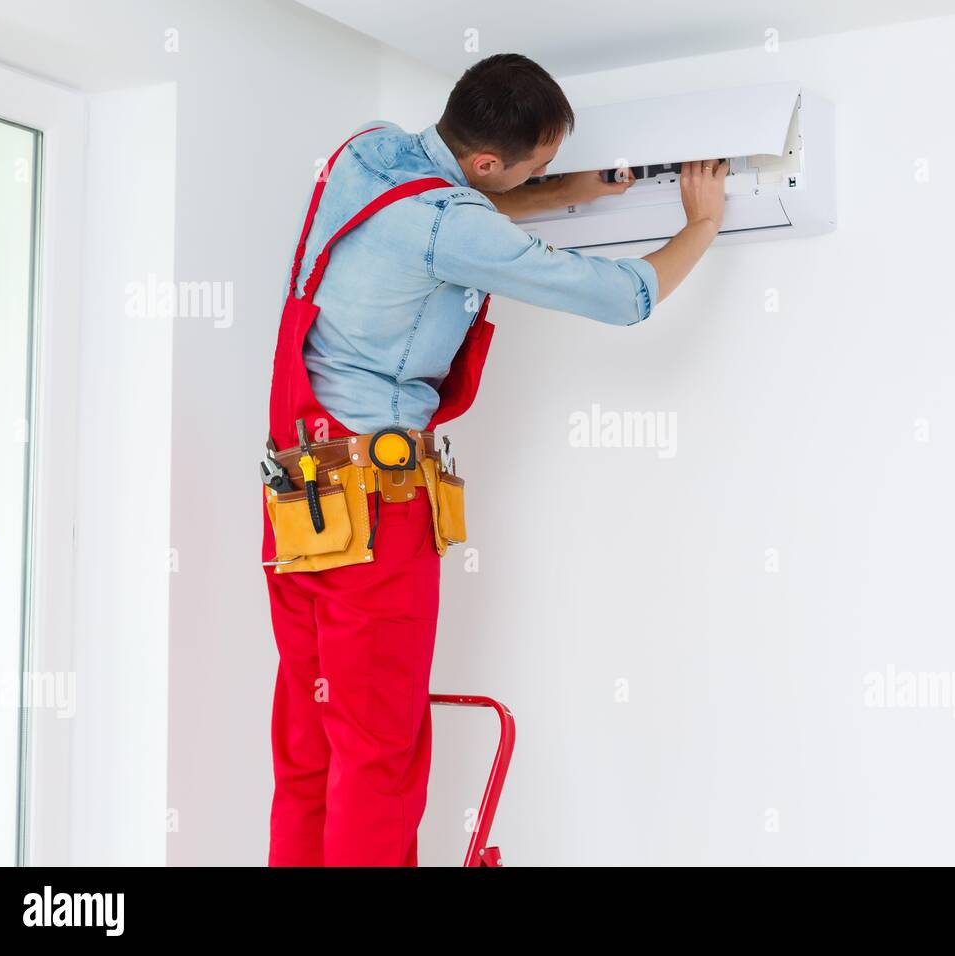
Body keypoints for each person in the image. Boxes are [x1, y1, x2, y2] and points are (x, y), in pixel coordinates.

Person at [263, 52, 726, 866]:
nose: (541, 175)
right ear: (486, 164)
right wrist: (700, 225)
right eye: (535, 166)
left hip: (301, 492)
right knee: (382, 751)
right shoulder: (453, 225)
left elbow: (455, 209)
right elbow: (623, 297)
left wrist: (567, 192)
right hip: (378, 507)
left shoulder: (366, 150)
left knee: (312, 742)